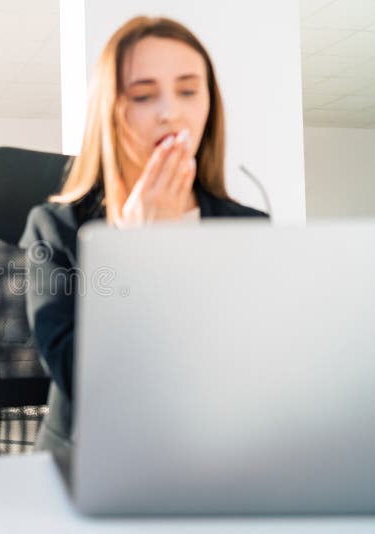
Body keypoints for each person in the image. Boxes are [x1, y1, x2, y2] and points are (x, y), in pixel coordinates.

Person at [20, 17, 268, 457]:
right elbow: (83, 380)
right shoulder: (54, 228)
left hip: (220, 453)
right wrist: (138, 255)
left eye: (189, 91)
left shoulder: (249, 229)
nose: (170, 112)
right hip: (95, 459)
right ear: (110, 111)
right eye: (143, 95)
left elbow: (259, 374)